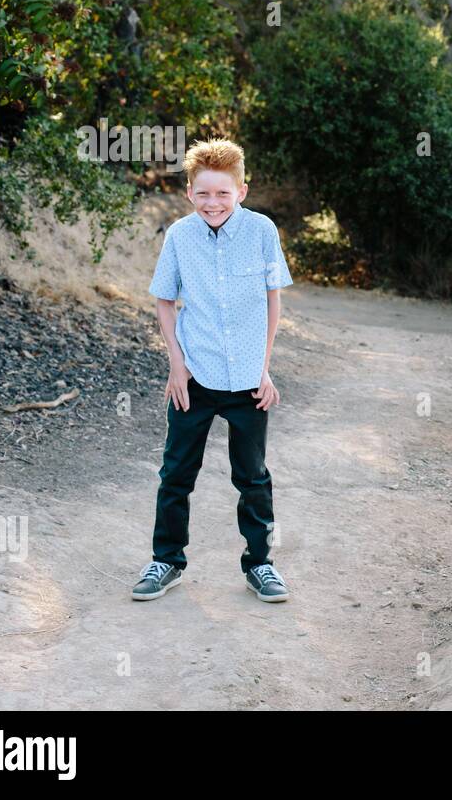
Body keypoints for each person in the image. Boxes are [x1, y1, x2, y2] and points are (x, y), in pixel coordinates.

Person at [132, 139, 294, 603]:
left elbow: (272, 301)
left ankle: (260, 564)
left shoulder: (262, 231)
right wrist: (176, 366)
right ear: (189, 193)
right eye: (203, 194)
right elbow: (165, 301)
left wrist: (263, 370)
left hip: (247, 379)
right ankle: (166, 560)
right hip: (195, 376)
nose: (212, 203)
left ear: (242, 190)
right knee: (176, 472)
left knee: (253, 477)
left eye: (223, 193)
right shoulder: (180, 236)